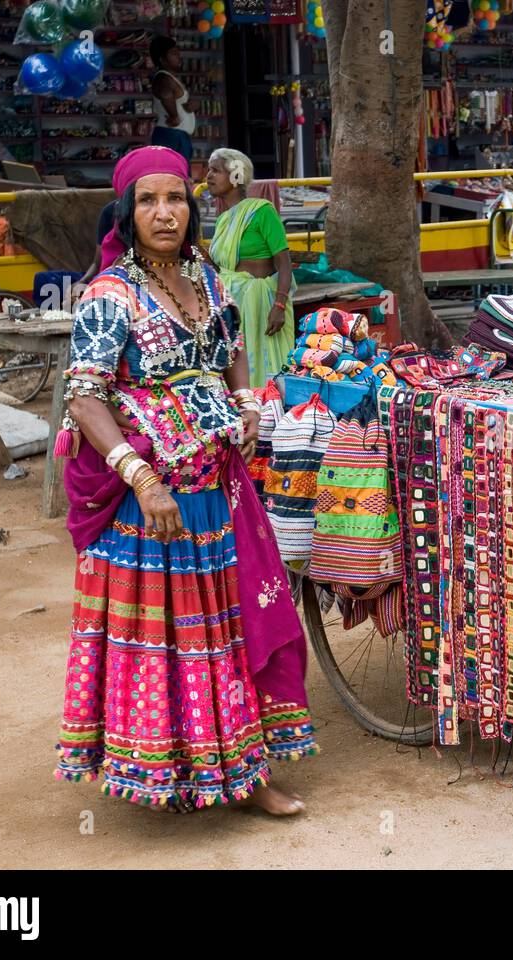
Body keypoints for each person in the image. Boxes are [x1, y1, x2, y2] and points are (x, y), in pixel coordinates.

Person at [53, 146, 315, 815]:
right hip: (151, 501)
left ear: (193, 207)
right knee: (170, 635)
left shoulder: (205, 276)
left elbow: (231, 351)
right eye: (148, 201)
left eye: (176, 198)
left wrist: (249, 404)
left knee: (226, 627)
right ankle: (171, 770)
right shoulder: (109, 297)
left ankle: (244, 776)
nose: (165, 213)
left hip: (214, 486)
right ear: (127, 212)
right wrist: (141, 478)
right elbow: (85, 398)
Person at [205, 148, 296, 388]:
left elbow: (284, 263)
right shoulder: (224, 218)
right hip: (232, 305)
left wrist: (279, 304)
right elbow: (222, 269)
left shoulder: (262, 211)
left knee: (265, 368)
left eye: (215, 170)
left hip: (261, 305)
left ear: (235, 175)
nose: (208, 176)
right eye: (208, 170)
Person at [149, 36, 196, 166]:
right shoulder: (164, 78)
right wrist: (174, 115)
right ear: (162, 59)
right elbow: (165, 94)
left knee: (178, 175)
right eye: (173, 53)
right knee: (174, 175)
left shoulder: (168, 77)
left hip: (175, 135)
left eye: (178, 53)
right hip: (171, 135)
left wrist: (188, 108)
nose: (179, 57)